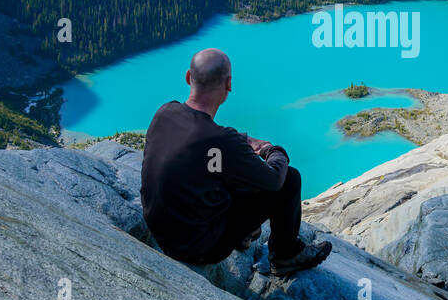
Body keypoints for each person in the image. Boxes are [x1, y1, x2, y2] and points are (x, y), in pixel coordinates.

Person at [139, 48, 332, 275]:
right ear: (229, 84)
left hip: (161, 232)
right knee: (290, 178)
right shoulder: (221, 141)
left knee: (221, 170)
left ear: (189, 77)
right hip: (198, 248)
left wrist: (240, 142)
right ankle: (286, 255)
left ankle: (245, 234)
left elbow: (205, 146)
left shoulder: (165, 112)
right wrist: (273, 150)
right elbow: (274, 181)